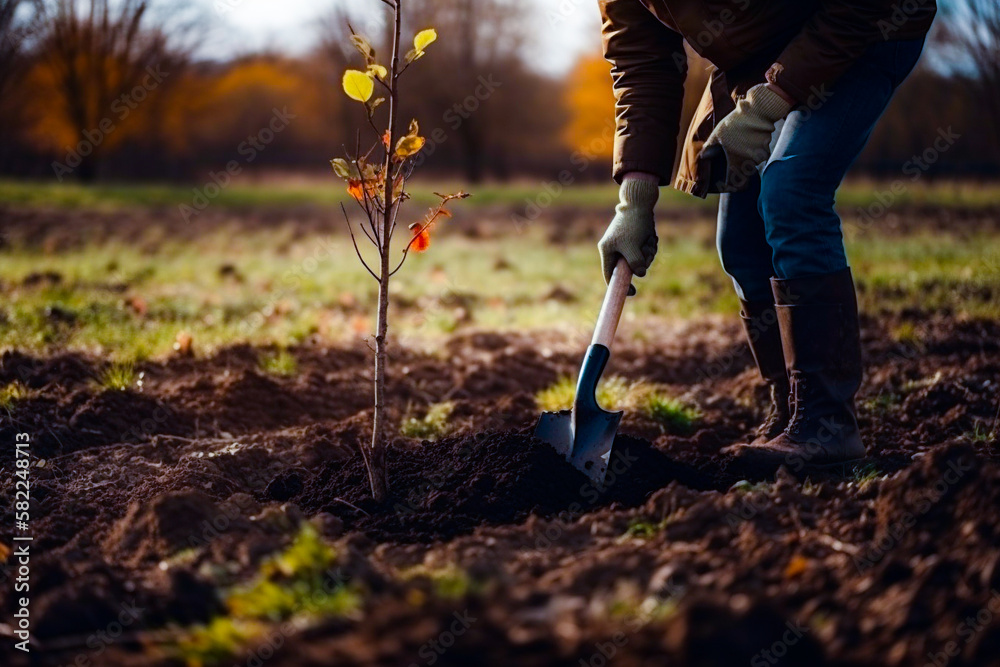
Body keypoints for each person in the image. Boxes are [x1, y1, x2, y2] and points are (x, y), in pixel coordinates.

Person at [596, 0, 935, 467]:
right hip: (765, 61)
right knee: (739, 241)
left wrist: (767, 103)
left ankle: (827, 424)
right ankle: (790, 413)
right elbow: (642, 62)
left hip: (865, 31)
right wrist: (634, 197)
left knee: (792, 191)